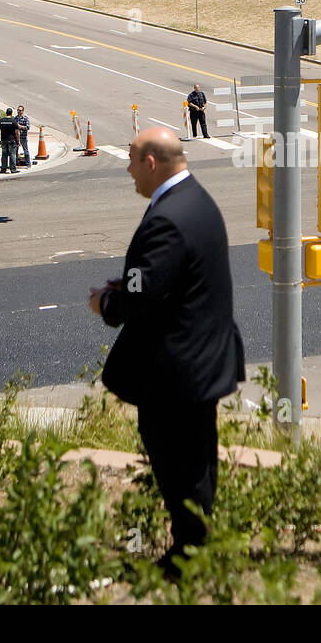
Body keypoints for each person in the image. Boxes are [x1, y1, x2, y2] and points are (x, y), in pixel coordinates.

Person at [89, 126, 245, 579]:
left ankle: (188, 560)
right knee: (197, 462)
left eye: (132, 160)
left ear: (151, 163)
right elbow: (165, 279)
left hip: (178, 373)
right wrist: (132, 284)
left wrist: (106, 301)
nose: (128, 170)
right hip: (203, 360)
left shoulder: (165, 219)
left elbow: (140, 298)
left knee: (180, 467)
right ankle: (199, 548)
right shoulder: (197, 200)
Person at [0, 107, 20, 173]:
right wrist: (18, 140)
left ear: (6, 113)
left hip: (3, 140)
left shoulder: (1, 121)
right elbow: (17, 132)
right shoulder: (13, 121)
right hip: (12, 140)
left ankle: (3, 169)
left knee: (4, 154)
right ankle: (13, 169)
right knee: (12, 154)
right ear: (11, 113)